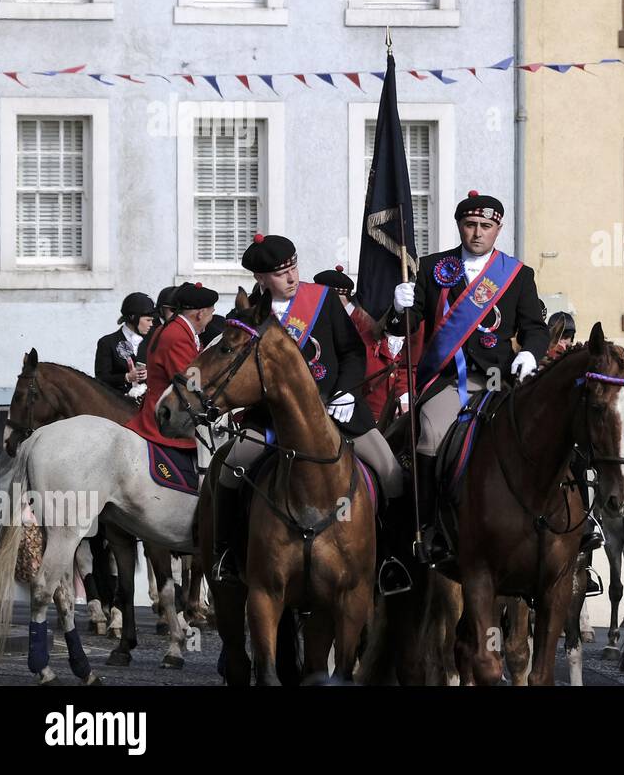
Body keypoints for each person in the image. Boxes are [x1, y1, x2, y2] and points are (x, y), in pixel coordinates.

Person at [212, 234, 410, 595]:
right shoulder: (247, 317)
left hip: (339, 409)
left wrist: (347, 391)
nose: (290, 278)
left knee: (391, 472)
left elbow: (352, 352)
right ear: (260, 279)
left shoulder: (321, 301)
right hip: (272, 419)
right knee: (231, 470)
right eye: (280, 273)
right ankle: (227, 553)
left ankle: (391, 560)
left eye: (292, 268)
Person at [389, 191, 550, 564]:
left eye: (486, 226)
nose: (477, 233)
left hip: (499, 378)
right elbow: (405, 327)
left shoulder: (517, 274)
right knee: (428, 438)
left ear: (498, 229)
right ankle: (428, 527)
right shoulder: (433, 267)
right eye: (470, 225)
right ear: (460, 226)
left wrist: (530, 352)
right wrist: (398, 308)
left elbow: (535, 328)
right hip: (448, 380)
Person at [316, 265, 425, 427]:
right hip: (357, 411)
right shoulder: (355, 327)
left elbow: (409, 366)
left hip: (398, 413)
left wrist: (405, 396)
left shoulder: (416, 325)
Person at [126, 282, 219, 450]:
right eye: (212, 312)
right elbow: (192, 384)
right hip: (168, 419)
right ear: (200, 314)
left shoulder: (176, 329)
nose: (212, 318)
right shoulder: (177, 336)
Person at [94, 293, 156, 399]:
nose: (151, 324)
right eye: (148, 320)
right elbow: (101, 379)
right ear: (133, 318)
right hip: (118, 404)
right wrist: (126, 377)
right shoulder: (108, 342)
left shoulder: (154, 340)